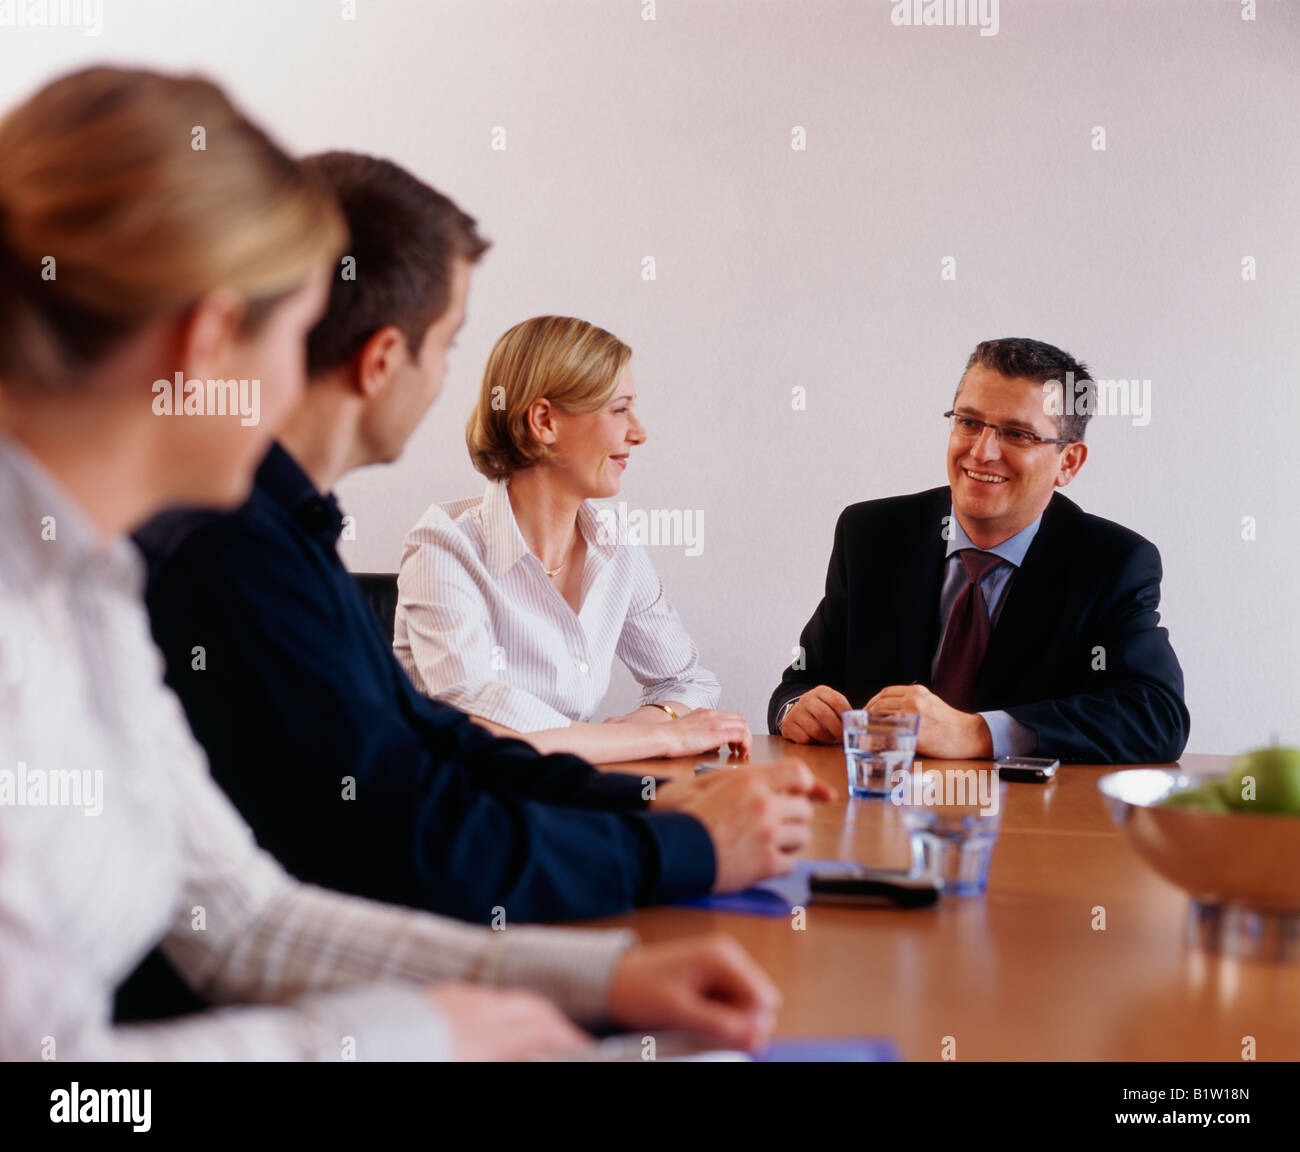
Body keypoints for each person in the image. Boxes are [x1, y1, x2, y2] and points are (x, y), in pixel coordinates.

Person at [0, 67, 780, 1061]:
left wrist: (601, 979)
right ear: (207, 346)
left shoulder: (89, 581)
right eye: (293, 336)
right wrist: (418, 1032)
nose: (301, 383)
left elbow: (244, 918)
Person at [134, 151, 830, 934]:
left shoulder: (290, 530)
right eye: (448, 345)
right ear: (385, 359)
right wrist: (679, 846)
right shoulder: (232, 548)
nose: (446, 382)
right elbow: (417, 832)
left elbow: (439, 742)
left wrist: (653, 796)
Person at [769, 337, 1190, 765]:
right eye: (969, 422)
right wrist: (795, 709)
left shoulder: (1111, 562)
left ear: (1068, 463)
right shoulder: (871, 535)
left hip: (1029, 823)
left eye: (1017, 434)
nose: (982, 451)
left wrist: (978, 733)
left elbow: (1157, 717)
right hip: (880, 817)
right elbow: (801, 681)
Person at [395, 314, 751, 764]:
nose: (639, 433)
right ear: (544, 421)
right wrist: (665, 737)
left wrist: (653, 719)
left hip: (561, 800)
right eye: (619, 409)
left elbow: (689, 681)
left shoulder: (615, 546)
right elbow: (481, 733)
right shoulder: (442, 548)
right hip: (457, 819)